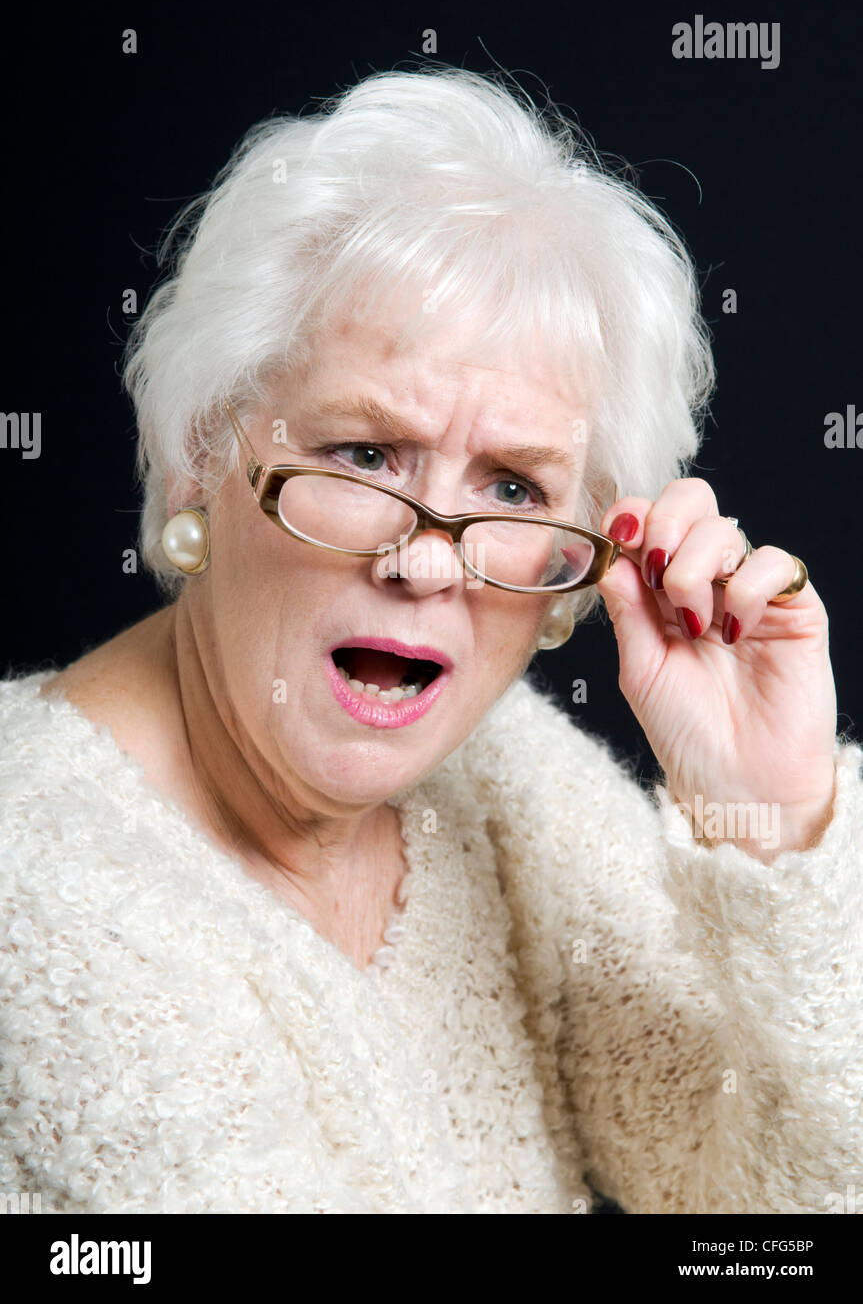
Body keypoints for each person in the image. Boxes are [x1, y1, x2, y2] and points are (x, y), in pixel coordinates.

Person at [1, 66, 860, 1215]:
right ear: (199, 453)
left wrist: (772, 818)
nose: (428, 559)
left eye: (512, 484)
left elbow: (768, 1215)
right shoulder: (42, 883)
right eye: (365, 453)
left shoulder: (506, 778)